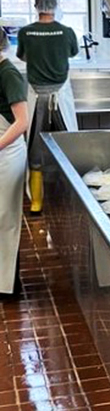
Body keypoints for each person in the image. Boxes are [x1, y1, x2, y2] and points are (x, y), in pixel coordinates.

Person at [17, 0, 79, 214]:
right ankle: (72, 200)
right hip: (60, 97)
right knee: (69, 146)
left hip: (36, 99)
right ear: (55, 6)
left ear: (36, 6)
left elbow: (22, 56)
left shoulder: (26, 33)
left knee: (35, 147)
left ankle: (36, 203)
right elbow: (73, 53)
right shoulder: (67, 32)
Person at [0, 27, 29, 299]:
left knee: (6, 218)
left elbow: (22, 122)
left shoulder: (8, 73)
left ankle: (8, 287)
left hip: (7, 155)